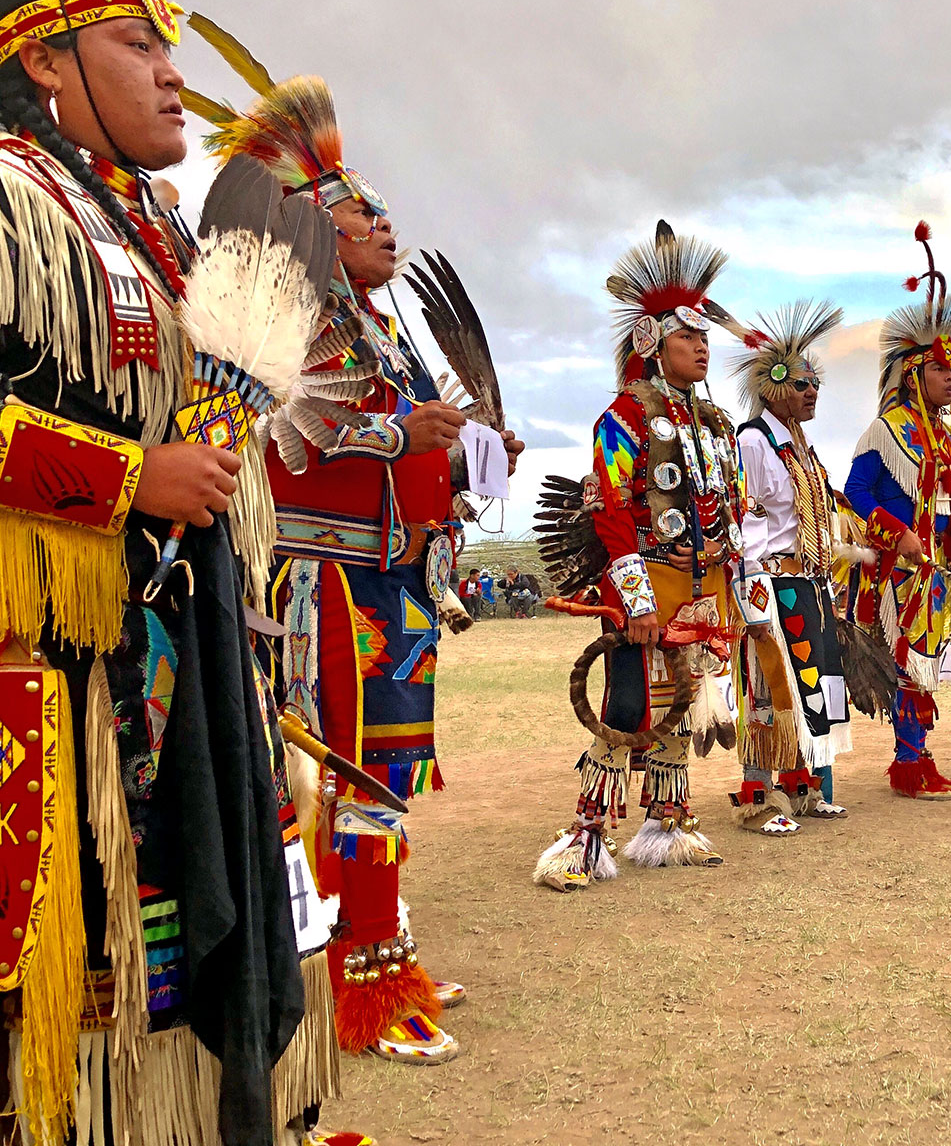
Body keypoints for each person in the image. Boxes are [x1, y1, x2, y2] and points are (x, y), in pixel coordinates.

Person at [0, 0, 308, 1143]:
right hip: (44, 666)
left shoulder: (155, 233)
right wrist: (128, 476)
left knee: (182, 961)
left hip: (178, 650)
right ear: (42, 61)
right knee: (63, 980)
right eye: (140, 47)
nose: (174, 76)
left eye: (168, 50)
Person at [212, 73, 520, 1066]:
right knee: (352, 777)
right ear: (318, 232)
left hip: (396, 582)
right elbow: (281, 435)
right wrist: (401, 431)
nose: (387, 228)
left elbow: (406, 447)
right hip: (326, 592)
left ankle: (378, 952)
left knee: (378, 776)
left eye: (388, 216)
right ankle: (363, 984)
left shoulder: (389, 335)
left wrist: (469, 455)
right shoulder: (293, 325)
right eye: (363, 216)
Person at [532, 220, 764, 889]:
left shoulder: (715, 423)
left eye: (704, 336)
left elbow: (734, 508)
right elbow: (609, 508)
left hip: (701, 584)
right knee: (630, 703)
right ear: (652, 344)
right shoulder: (623, 418)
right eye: (688, 336)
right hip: (644, 582)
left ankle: (667, 824)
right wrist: (632, 599)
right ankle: (584, 838)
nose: (703, 346)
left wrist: (736, 584)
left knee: (682, 701)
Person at [843, 222, 951, 799]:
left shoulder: (948, 440)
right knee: (909, 664)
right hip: (901, 571)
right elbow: (857, 492)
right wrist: (895, 532)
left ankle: (919, 757)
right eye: (940, 370)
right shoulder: (887, 431)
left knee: (928, 665)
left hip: (942, 569)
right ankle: (908, 764)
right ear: (913, 374)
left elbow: (947, 504)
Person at [725, 300, 854, 832]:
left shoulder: (799, 444)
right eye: (801, 384)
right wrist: (749, 591)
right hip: (769, 582)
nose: (811, 392)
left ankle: (802, 788)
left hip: (808, 581)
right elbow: (743, 517)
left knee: (812, 684)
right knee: (768, 684)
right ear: (773, 387)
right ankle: (758, 794)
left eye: (815, 384)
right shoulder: (754, 441)